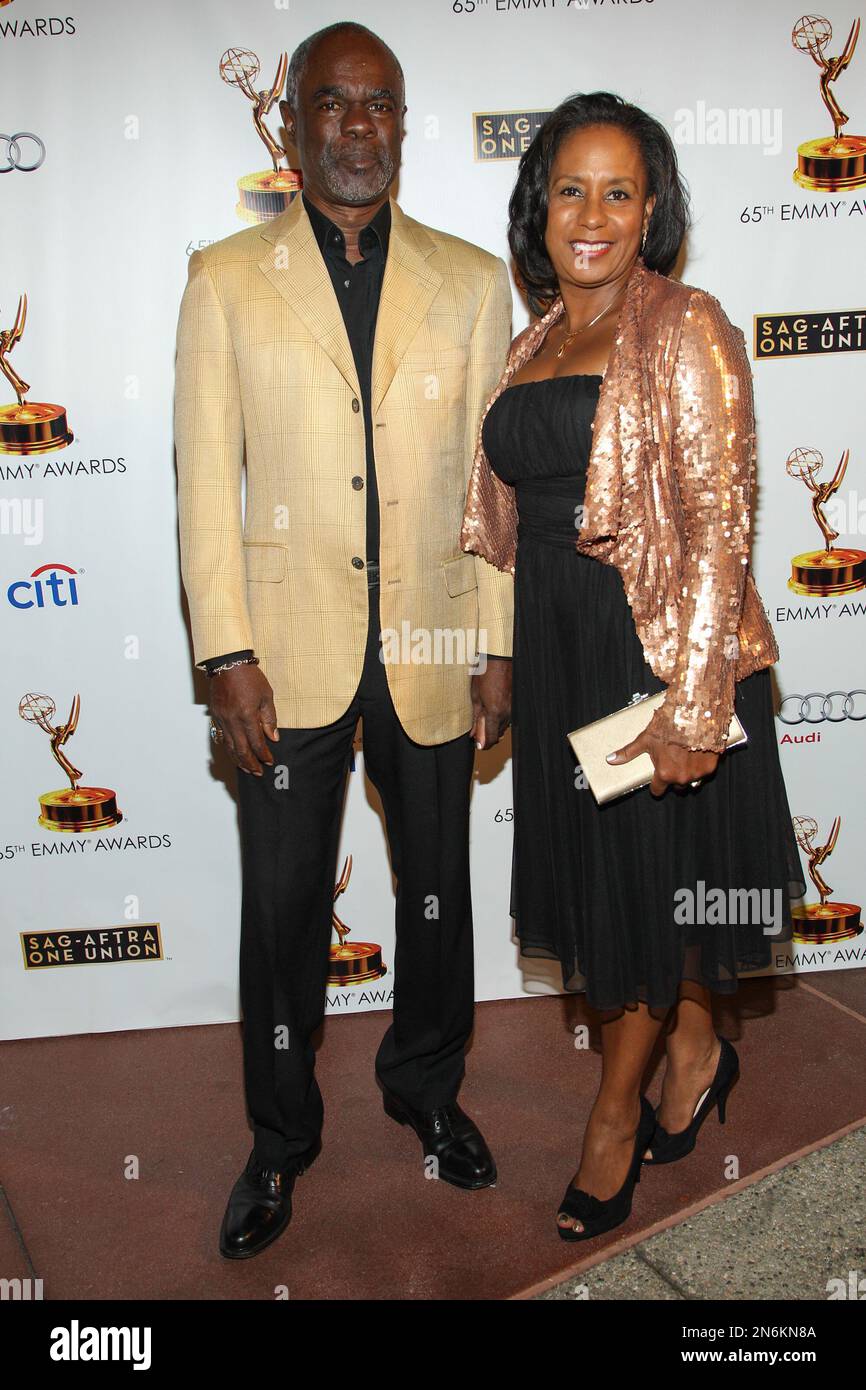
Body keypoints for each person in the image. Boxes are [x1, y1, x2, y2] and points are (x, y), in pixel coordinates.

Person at [174, 21, 514, 1259]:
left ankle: (427, 1089)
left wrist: (499, 640)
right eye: (332, 104)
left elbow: (494, 486)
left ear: (404, 124)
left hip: (431, 636)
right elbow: (206, 481)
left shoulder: (473, 280)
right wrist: (224, 651)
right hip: (285, 647)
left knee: (436, 896)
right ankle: (280, 1139)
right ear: (292, 122)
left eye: (380, 104)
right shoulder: (224, 276)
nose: (357, 126)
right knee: (281, 909)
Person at [461, 92, 805, 1241]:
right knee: (629, 900)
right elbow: (505, 522)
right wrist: (502, 657)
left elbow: (719, 523)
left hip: (659, 654)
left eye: (618, 190)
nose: (592, 213)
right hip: (561, 648)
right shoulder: (530, 341)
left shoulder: (686, 322)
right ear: (539, 204)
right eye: (569, 188)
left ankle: (610, 1123)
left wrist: (692, 708)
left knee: (656, 890)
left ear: (651, 207)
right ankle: (696, 1047)